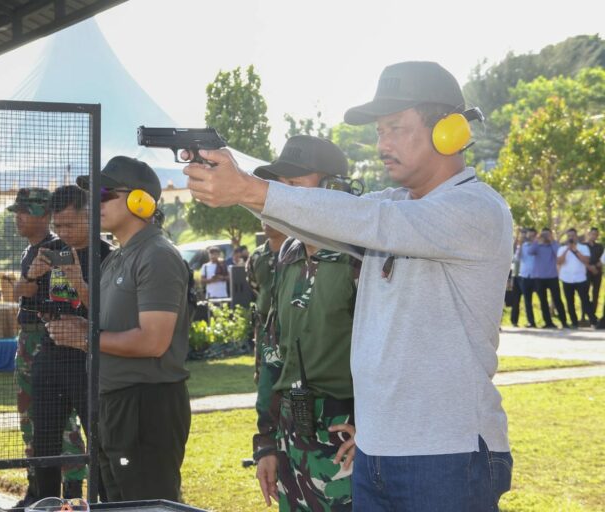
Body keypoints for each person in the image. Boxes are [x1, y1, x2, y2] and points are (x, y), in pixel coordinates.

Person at [185, 61, 513, 510]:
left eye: (396, 128)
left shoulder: (475, 209)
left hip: (446, 452)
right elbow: (325, 215)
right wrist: (240, 182)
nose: (382, 145)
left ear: (449, 131)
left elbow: (364, 219)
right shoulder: (395, 205)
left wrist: (247, 188)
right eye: (379, 132)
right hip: (382, 450)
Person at [49, 156, 191, 502]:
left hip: (145, 403)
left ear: (139, 201)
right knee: (117, 503)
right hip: (116, 400)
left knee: (144, 503)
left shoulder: (156, 255)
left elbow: (154, 341)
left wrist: (85, 338)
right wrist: (83, 326)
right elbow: (110, 323)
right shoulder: (118, 256)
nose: (93, 204)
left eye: (103, 194)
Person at [251, 136, 361, 510]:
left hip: (343, 437)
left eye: (295, 186)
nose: (282, 197)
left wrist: (372, 429)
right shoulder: (287, 254)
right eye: (279, 187)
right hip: (289, 433)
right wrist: (266, 441)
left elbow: (395, 356)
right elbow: (273, 354)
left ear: (334, 190)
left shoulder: (360, 257)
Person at [25, 185, 112, 500]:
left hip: (88, 360)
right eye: (57, 225)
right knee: (45, 438)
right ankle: (45, 500)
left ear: (89, 216)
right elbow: (28, 302)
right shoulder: (50, 250)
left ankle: (104, 502)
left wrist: (79, 283)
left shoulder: (106, 255)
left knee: (99, 436)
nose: (62, 232)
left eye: (70, 225)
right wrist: (32, 278)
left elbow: (110, 315)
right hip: (50, 357)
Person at [3, 188, 88, 509]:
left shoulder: (60, 248)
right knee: (33, 419)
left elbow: (25, 290)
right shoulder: (32, 251)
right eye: (17, 212)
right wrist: (24, 284)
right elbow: (18, 291)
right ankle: (38, 490)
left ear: (44, 215)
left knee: (62, 422)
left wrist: (23, 286)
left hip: (53, 336)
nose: (18, 218)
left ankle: (73, 491)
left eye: (25, 211)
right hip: (31, 337)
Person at [246, 221, 287, 383]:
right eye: (263, 219)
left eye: (271, 218)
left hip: (289, 322)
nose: (266, 223)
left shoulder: (296, 252)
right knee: (265, 373)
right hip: (264, 322)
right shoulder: (257, 256)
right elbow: (253, 284)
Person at [557, 228, 598, 328]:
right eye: (569, 236)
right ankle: (574, 322)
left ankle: (593, 321)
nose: (571, 238)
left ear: (576, 236)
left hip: (581, 278)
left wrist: (575, 250)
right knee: (570, 302)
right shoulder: (562, 249)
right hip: (566, 279)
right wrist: (567, 249)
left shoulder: (583, 247)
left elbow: (586, 260)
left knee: (585, 301)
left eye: (573, 236)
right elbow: (559, 261)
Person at [528, 227, 568, 328]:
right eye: (544, 234)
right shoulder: (537, 246)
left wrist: (552, 240)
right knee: (543, 301)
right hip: (539, 278)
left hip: (552, 277)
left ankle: (564, 322)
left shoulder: (553, 246)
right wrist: (537, 239)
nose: (545, 236)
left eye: (547, 234)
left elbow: (558, 253)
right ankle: (548, 323)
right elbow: (530, 251)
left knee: (557, 299)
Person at [515, 227, 538, 327]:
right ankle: (531, 321)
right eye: (529, 235)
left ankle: (548, 321)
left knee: (543, 299)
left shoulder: (539, 246)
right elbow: (516, 258)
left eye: (533, 235)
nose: (531, 237)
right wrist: (519, 246)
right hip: (524, 276)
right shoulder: (523, 246)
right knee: (527, 300)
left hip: (537, 276)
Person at [585, 227, 603, 312]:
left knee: (595, 293)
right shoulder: (583, 246)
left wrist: (595, 267)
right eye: (592, 234)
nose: (594, 236)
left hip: (597, 272)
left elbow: (602, 259)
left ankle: (593, 314)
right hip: (585, 272)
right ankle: (584, 315)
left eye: (596, 234)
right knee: (584, 293)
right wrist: (589, 267)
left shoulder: (600, 246)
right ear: (589, 234)